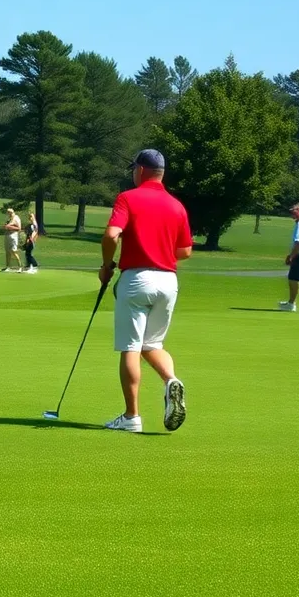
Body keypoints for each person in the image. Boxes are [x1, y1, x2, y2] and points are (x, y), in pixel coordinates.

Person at [99, 149, 193, 433]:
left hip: (137, 278)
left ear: (140, 170)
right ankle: (171, 380)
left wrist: (106, 266)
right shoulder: (177, 205)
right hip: (168, 281)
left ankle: (131, 417)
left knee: (130, 347)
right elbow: (185, 251)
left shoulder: (128, 197)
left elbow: (111, 234)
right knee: (152, 345)